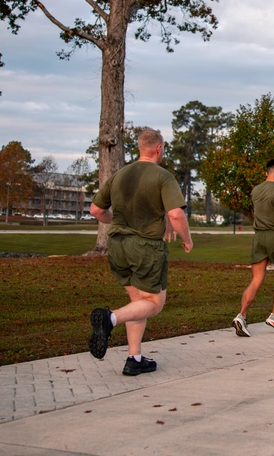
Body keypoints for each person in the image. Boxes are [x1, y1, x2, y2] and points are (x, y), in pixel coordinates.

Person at [88, 128, 193, 376]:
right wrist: (187, 239)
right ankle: (110, 318)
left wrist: (118, 221)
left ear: (139, 148)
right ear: (159, 148)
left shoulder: (119, 175)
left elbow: (96, 210)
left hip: (117, 245)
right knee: (154, 303)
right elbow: (176, 214)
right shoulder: (163, 177)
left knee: (138, 302)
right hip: (145, 247)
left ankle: (134, 359)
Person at [232, 159, 274, 336]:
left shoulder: (256, 190)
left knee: (256, 279)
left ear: (267, 172)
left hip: (259, 237)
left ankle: (241, 316)